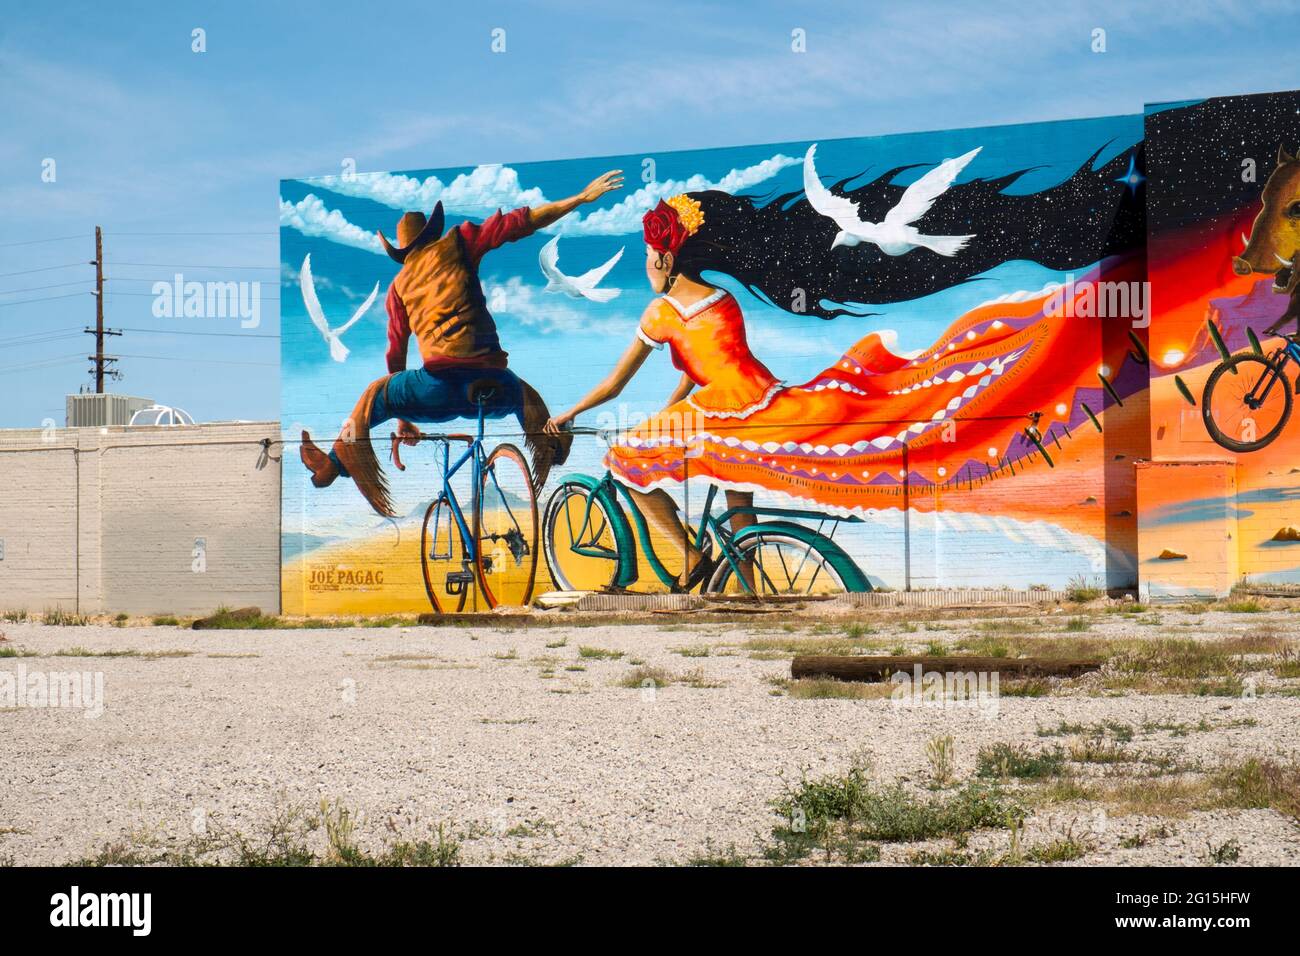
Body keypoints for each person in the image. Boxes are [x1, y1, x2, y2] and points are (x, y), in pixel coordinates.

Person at [300, 170, 624, 516]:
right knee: (527, 397)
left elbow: (397, 352)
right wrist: (578, 198)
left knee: (372, 395)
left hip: (436, 390)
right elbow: (520, 222)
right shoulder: (459, 241)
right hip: (496, 386)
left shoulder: (398, 288)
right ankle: (552, 446)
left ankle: (334, 463)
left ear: (402, 250)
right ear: (432, 233)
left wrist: (403, 418)